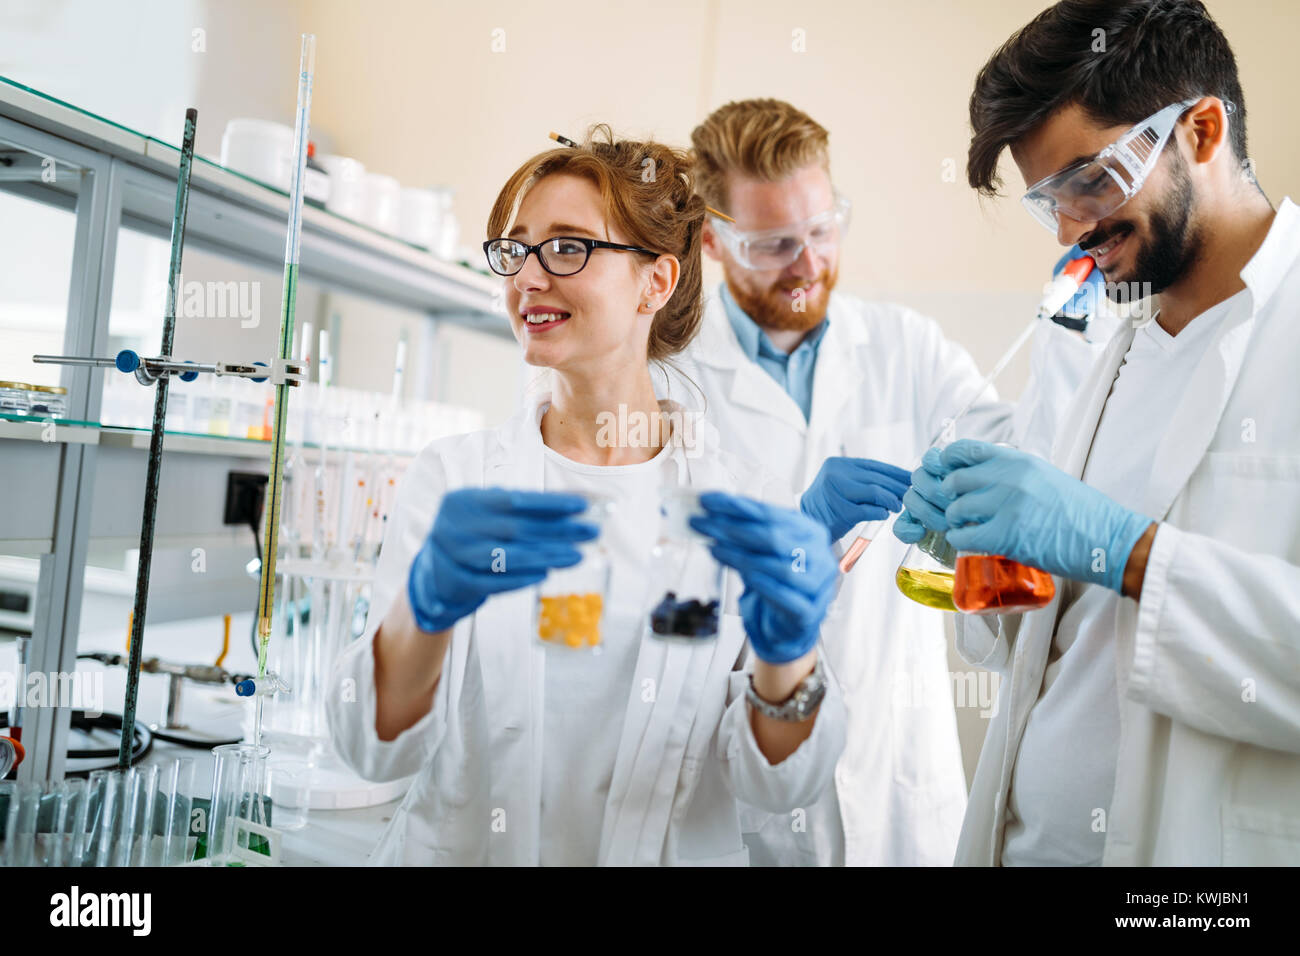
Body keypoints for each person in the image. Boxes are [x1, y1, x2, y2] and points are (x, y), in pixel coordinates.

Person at [326, 126, 847, 866]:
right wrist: (421, 611)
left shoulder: (743, 500)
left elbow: (781, 786)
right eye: (516, 249)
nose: (528, 278)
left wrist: (787, 659)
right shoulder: (455, 481)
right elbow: (368, 753)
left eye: (568, 246)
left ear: (656, 282)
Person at [899, 0, 1300, 865]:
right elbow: (1066, 650)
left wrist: (1125, 550)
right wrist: (992, 559)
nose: (1074, 230)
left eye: (1091, 179)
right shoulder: (1115, 348)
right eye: (1051, 201)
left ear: (1199, 129)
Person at [668, 99, 1103, 866]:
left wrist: (1068, 338)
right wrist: (788, 538)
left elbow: (1033, 461)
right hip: (745, 798)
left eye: (824, 228)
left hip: (901, 789)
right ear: (713, 238)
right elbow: (660, 598)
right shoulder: (669, 382)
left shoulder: (904, 347)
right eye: (774, 244)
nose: (809, 263)